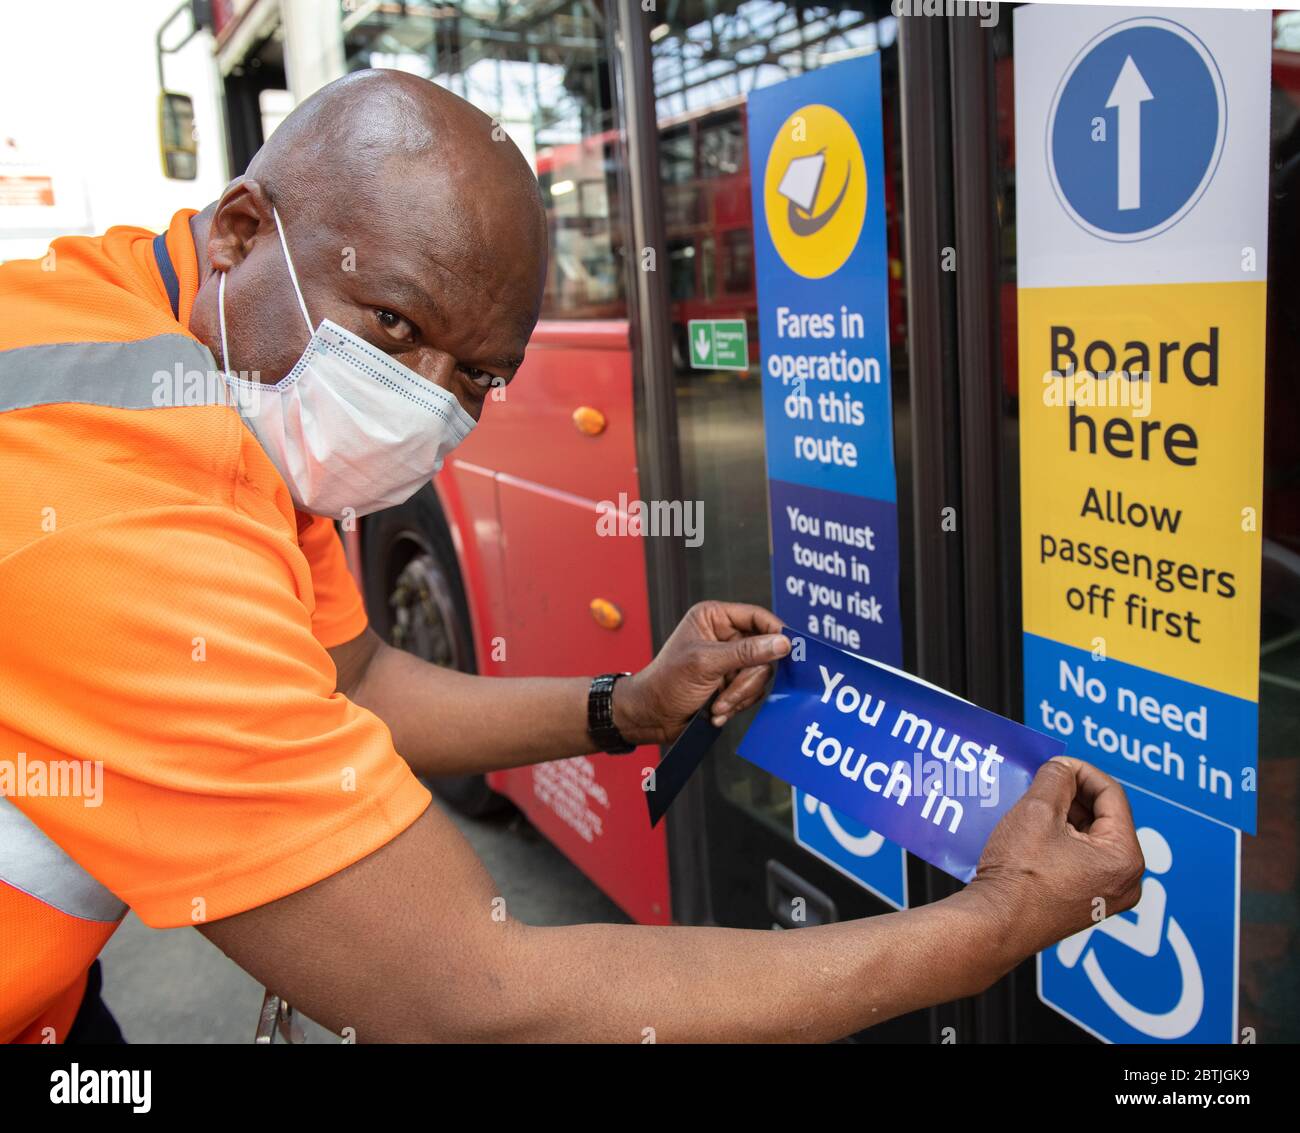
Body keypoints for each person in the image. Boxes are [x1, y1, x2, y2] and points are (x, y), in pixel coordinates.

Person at [0, 70, 1143, 1044]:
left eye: (478, 376)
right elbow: (468, 990)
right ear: (242, 233)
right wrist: (994, 923)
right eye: (395, 325)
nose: (422, 404)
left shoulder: (190, 339)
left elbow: (354, 680)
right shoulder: (125, 488)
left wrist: (627, 706)